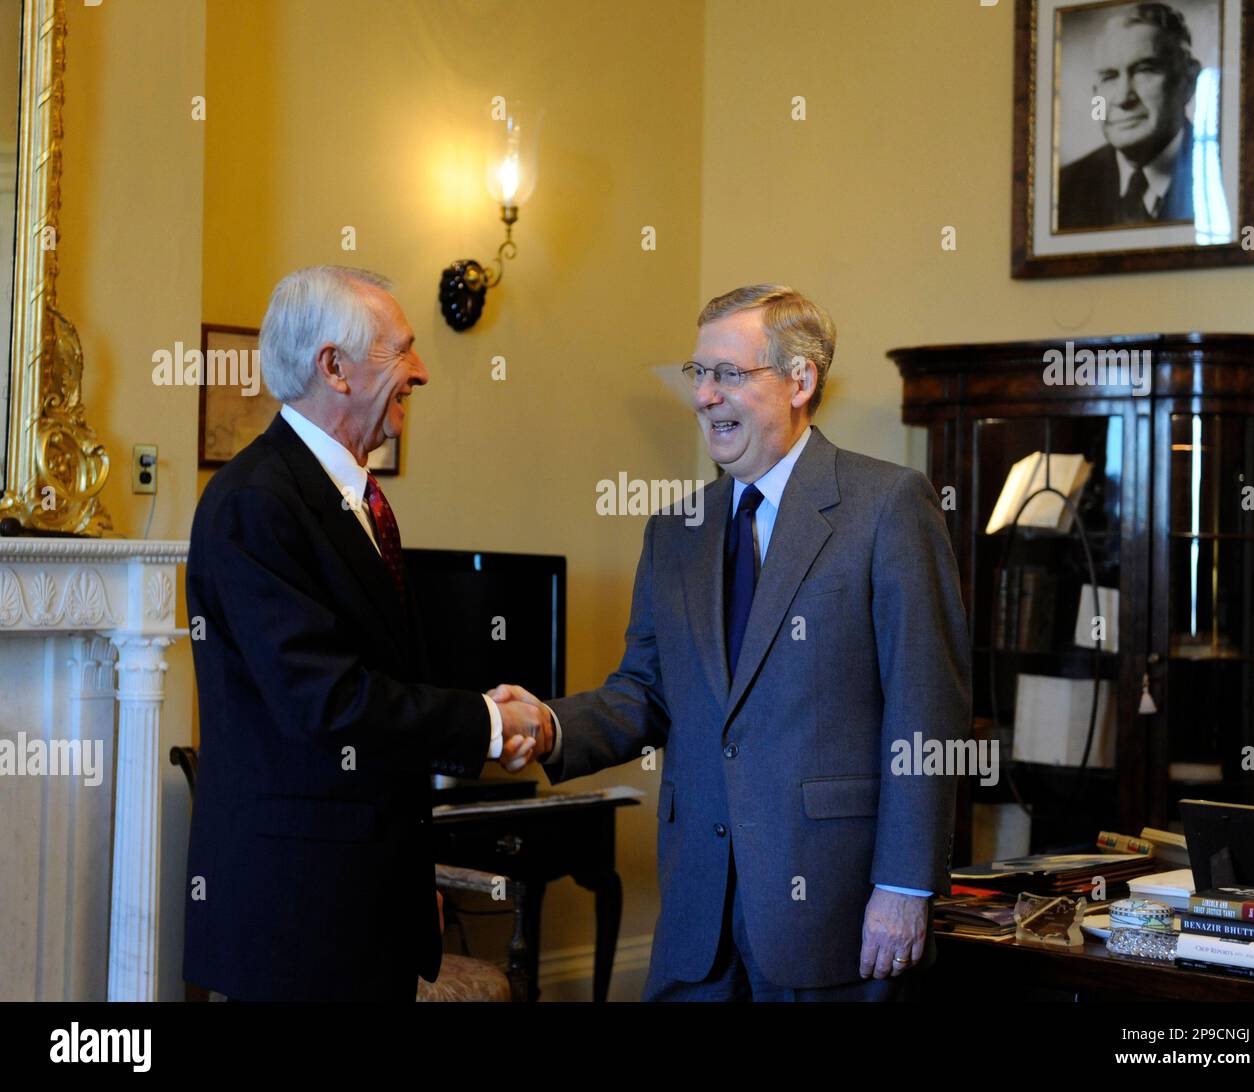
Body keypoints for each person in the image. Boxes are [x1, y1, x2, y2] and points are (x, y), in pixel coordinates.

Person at [493, 284, 971, 1001]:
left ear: (800, 380)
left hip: (834, 918)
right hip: (697, 920)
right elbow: (643, 693)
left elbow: (926, 712)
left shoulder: (888, 507)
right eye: (698, 374)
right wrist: (548, 724)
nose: (704, 398)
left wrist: (904, 887)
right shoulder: (673, 531)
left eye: (728, 374)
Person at [183, 265, 548, 1001]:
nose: (419, 372)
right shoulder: (254, 502)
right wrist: (485, 721)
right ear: (335, 368)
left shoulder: (357, 499)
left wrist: (410, 882)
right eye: (402, 351)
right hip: (295, 917)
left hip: (360, 900)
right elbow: (331, 701)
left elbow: (386, 685)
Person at [1057, 2, 1202, 230]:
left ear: (1188, 81)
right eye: (1109, 77)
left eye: (1145, 70)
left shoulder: (1228, 173)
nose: (1124, 98)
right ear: (1095, 93)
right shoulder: (1063, 189)